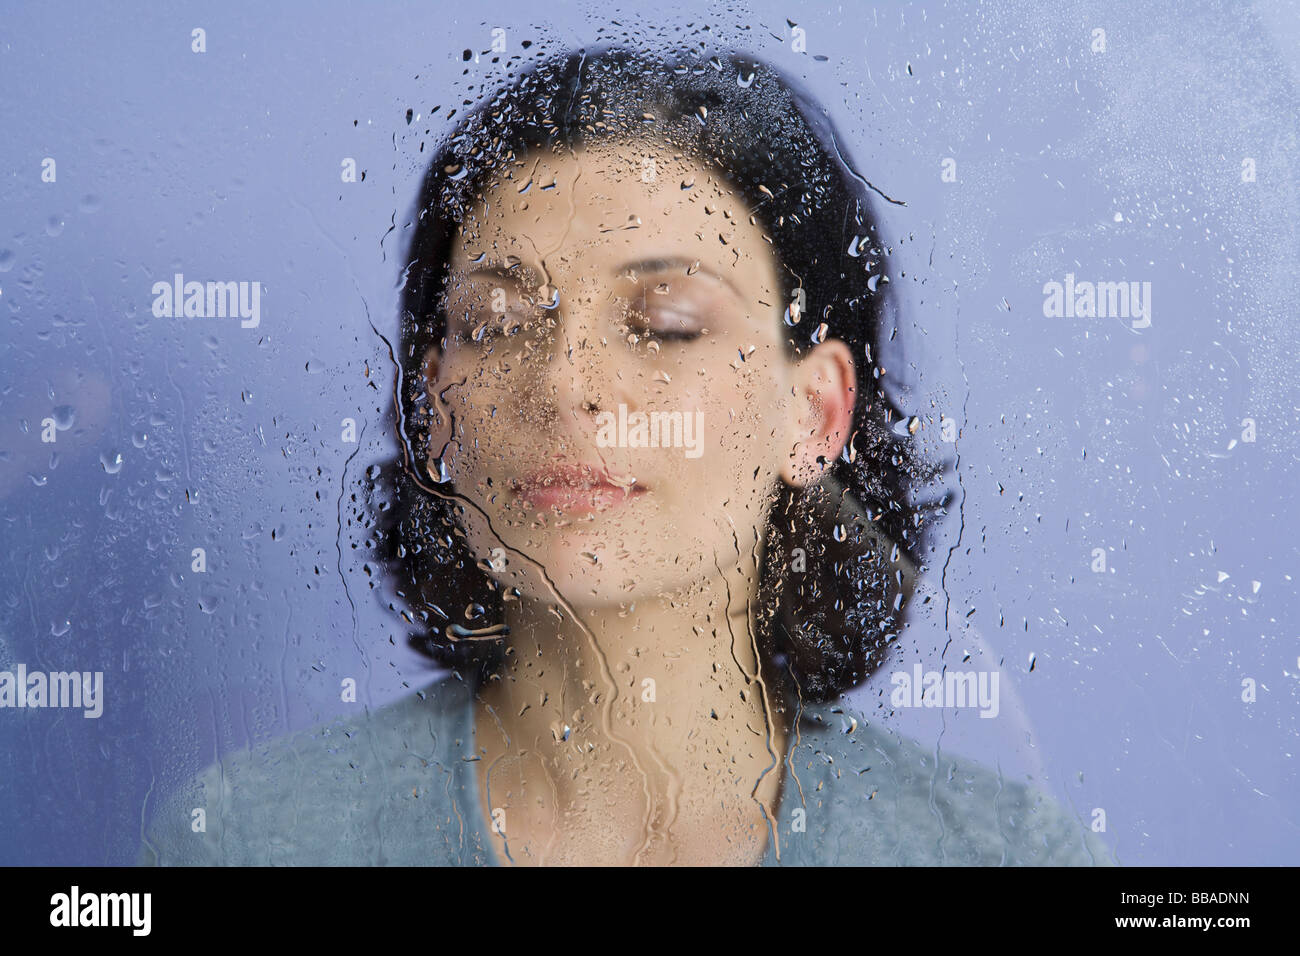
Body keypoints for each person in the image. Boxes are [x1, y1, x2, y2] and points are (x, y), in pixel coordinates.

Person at [139, 46, 1111, 866]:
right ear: (433, 408)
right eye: (497, 322)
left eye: (664, 322)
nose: (563, 381)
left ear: (814, 412)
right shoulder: (247, 841)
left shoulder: (1002, 853)